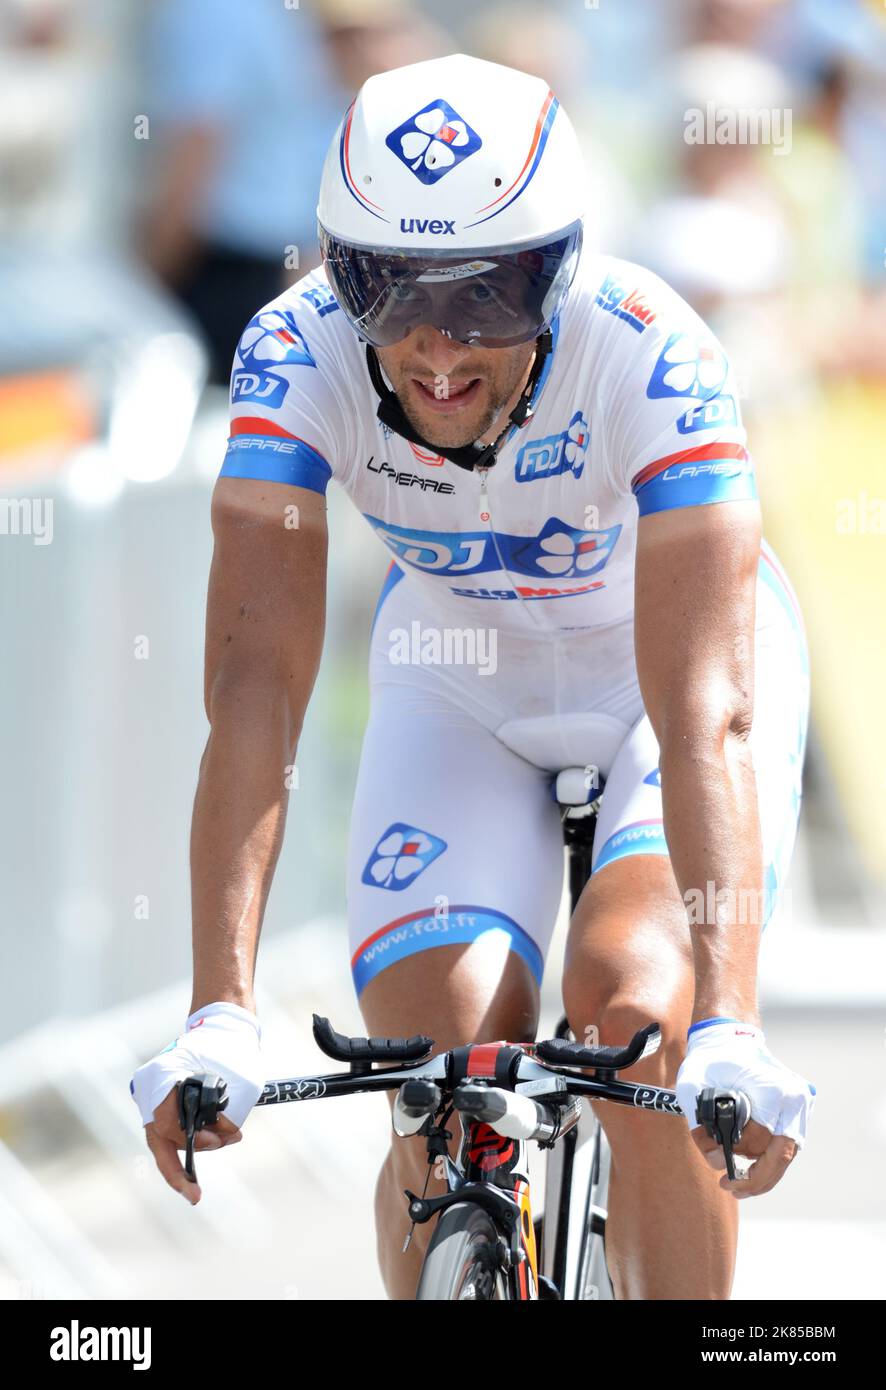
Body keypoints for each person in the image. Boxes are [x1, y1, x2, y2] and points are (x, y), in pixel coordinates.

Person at [131, 54, 815, 1300]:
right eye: (385, 291)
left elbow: (705, 713)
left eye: (486, 295)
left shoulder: (651, 351)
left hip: (660, 692)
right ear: (338, 279)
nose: (435, 344)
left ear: (553, 274)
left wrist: (727, 1021)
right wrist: (218, 1009)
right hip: (457, 684)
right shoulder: (294, 353)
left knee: (631, 1007)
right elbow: (255, 693)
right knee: (432, 1057)